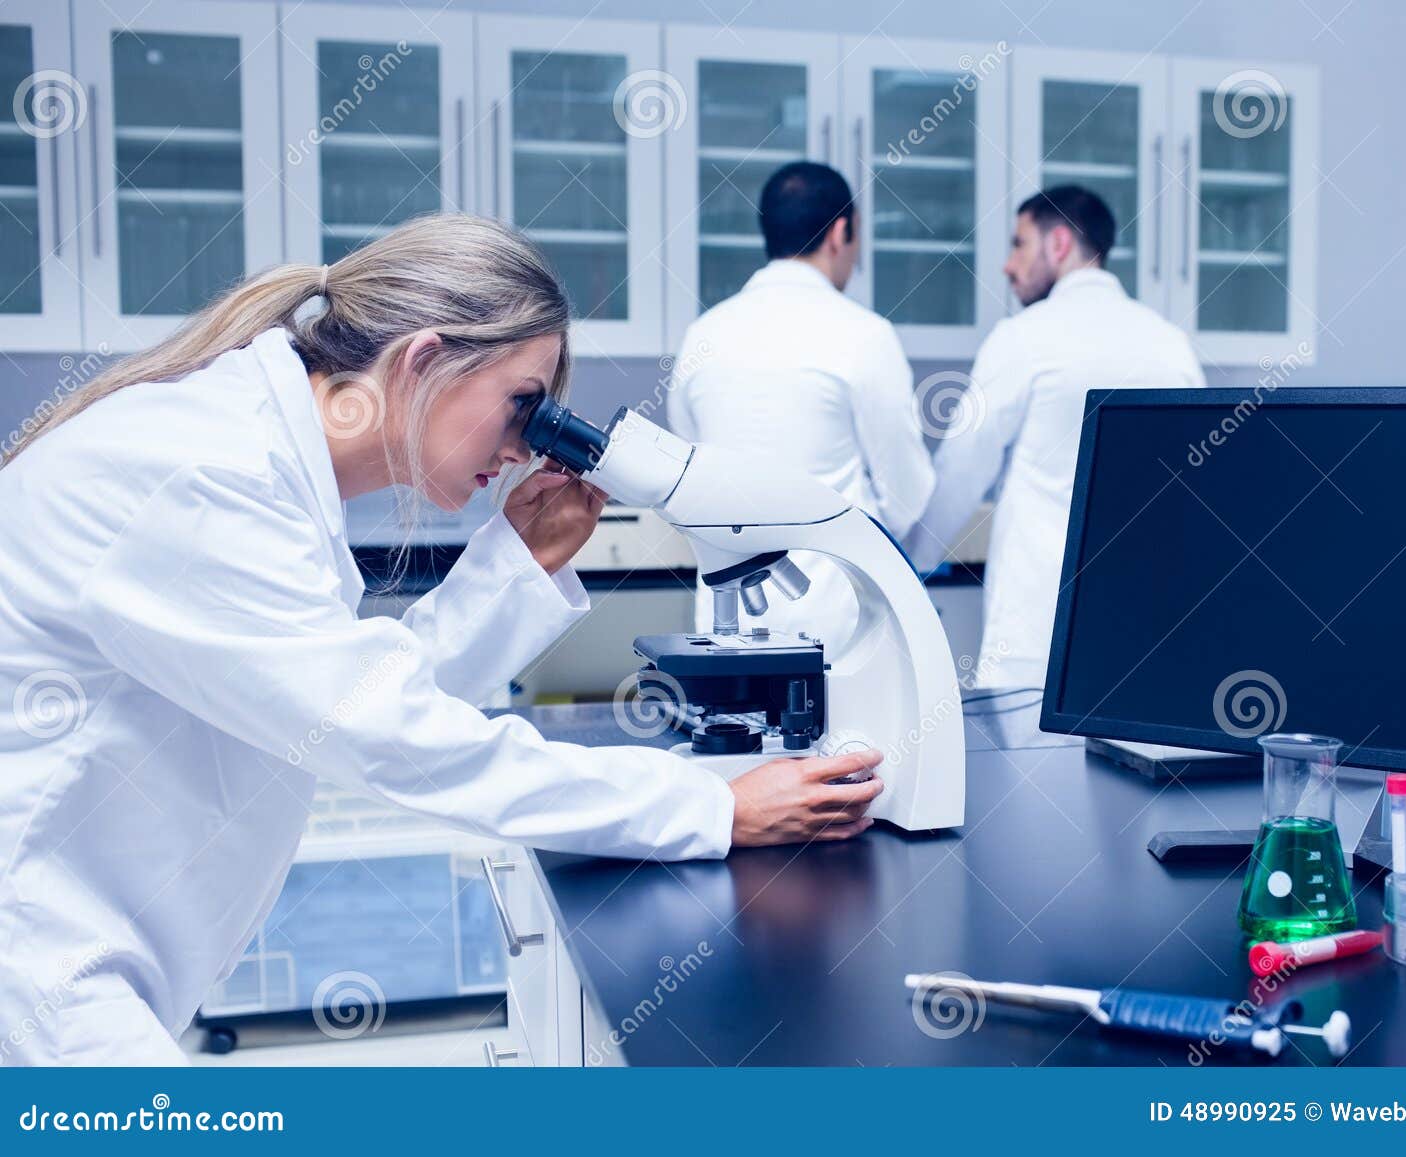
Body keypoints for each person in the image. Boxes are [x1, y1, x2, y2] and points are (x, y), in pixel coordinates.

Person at [0, 214, 883, 1065]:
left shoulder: (254, 456)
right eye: (522, 406)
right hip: (36, 959)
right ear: (423, 360)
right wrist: (713, 808)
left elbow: (356, 699)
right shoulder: (205, 476)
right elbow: (386, 732)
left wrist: (518, 565)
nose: (525, 444)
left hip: (76, 954)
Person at [907, 186, 1205, 689]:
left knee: (1027, 768)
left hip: (1038, 637)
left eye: (1019, 244)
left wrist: (909, 565)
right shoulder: (1171, 346)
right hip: (1147, 633)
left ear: (1059, 244)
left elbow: (961, 471)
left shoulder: (1024, 337)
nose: (1007, 265)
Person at [668, 161, 933, 647]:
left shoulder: (702, 336)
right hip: (839, 621)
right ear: (840, 233)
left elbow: (690, 473)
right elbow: (907, 495)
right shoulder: (865, 335)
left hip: (728, 626)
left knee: (729, 726)